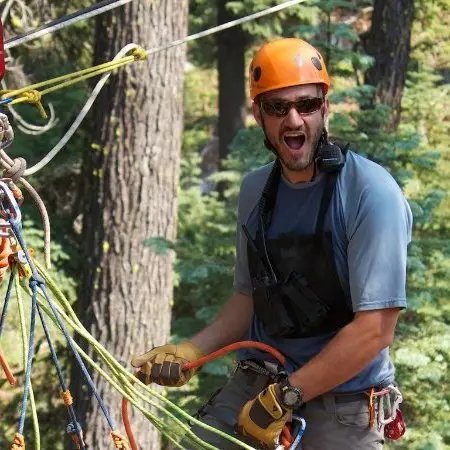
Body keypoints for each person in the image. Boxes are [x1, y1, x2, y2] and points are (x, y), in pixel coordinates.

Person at [131, 38, 413, 450]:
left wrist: (287, 396)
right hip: (256, 384)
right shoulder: (256, 193)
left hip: (342, 402)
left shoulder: (369, 192)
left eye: (307, 105)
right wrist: (191, 350)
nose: (294, 120)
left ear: (325, 107)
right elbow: (249, 300)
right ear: (258, 114)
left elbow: (374, 331)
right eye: (278, 108)